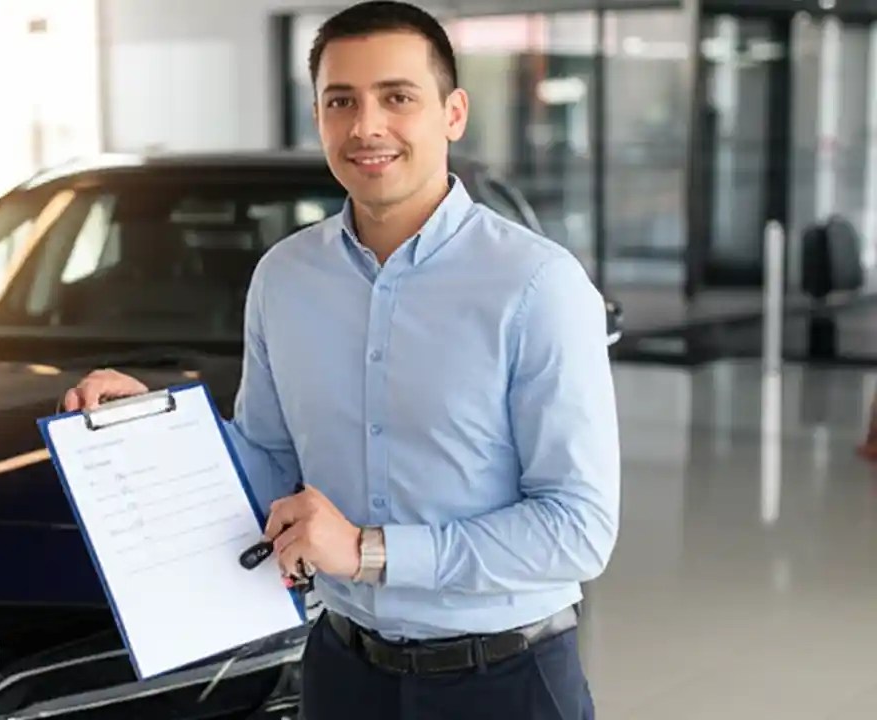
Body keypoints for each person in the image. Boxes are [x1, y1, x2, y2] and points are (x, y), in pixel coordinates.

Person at [61, 2, 620, 717]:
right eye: (341, 101)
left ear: (452, 113)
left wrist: (368, 550)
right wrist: (150, 431)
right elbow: (266, 459)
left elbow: (576, 528)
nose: (366, 127)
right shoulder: (285, 278)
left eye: (397, 97)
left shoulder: (537, 285)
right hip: (340, 673)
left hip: (504, 681)